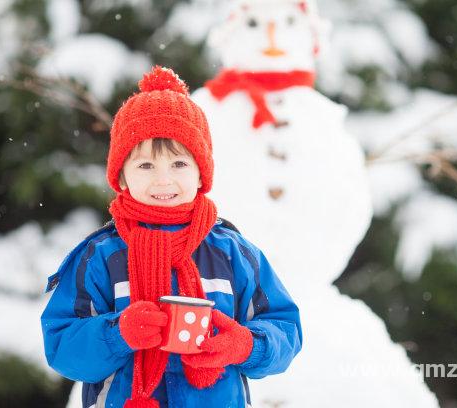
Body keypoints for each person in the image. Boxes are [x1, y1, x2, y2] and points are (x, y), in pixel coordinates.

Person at [41, 66, 302, 408]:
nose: (163, 181)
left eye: (178, 164)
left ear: (200, 174)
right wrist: (119, 333)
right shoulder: (102, 256)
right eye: (145, 166)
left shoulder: (231, 252)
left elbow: (285, 327)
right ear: (121, 177)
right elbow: (62, 347)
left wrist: (246, 345)